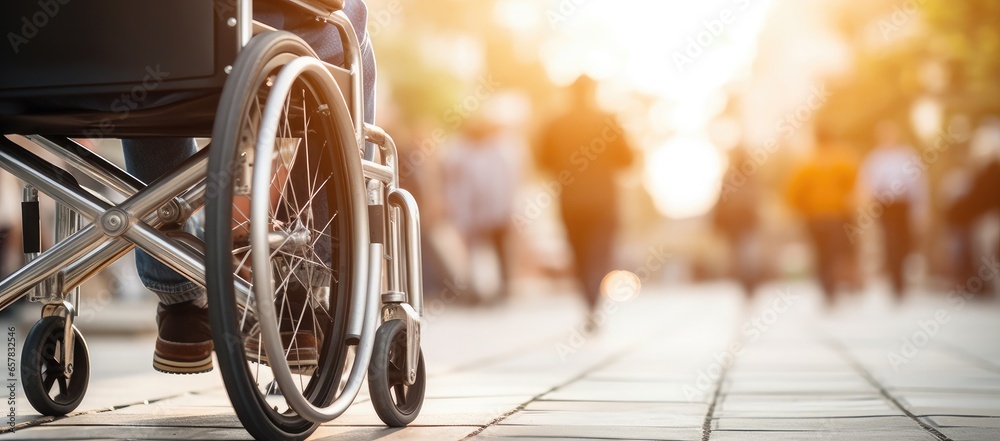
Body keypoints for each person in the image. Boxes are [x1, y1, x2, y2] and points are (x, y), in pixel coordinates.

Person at [121, 0, 377, 374]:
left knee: (134, 64)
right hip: (245, 47)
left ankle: (180, 295)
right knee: (347, 28)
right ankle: (299, 295)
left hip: (71, 65)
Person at [536, 76, 634, 331]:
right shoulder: (608, 120)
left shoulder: (556, 123)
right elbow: (628, 159)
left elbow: (542, 160)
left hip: (571, 200)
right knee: (598, 254)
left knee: (579, 254)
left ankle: (588, 303)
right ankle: (593, 304)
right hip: (602, 201)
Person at [442, 116, 522, 304]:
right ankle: (476, 291)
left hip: (495, 212)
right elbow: (454, 183)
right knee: (474, 254)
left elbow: (507, 185)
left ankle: (501, 289)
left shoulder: (500, 151)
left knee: (497, 251)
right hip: (472, 212)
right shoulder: (460, 152)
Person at [785, 127, 859, 305]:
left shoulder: (806, 162)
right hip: (838, 215)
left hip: (815, 217)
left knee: (821, 253)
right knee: (837, 251)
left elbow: (793, 191)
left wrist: (802, 208)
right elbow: (853, 183)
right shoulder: (842, 158)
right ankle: (837, 284)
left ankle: (827, 289)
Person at [857, 121, 929, 300]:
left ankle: (902, 278)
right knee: (889, 242)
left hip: (903, 205)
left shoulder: (907, 155)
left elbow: (918, 184)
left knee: (903, 243)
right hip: (885, 206)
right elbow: (867, 184)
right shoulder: (875, 158)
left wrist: (920, 210)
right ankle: (895, 283)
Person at [713, 147, 762, 298]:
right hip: (741, 222)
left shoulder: (732, 175)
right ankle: (748, 283)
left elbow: (722, 200)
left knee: (742, 255)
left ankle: (747, 283)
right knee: (745, 255)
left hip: (739, 222)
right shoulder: (749, 175)